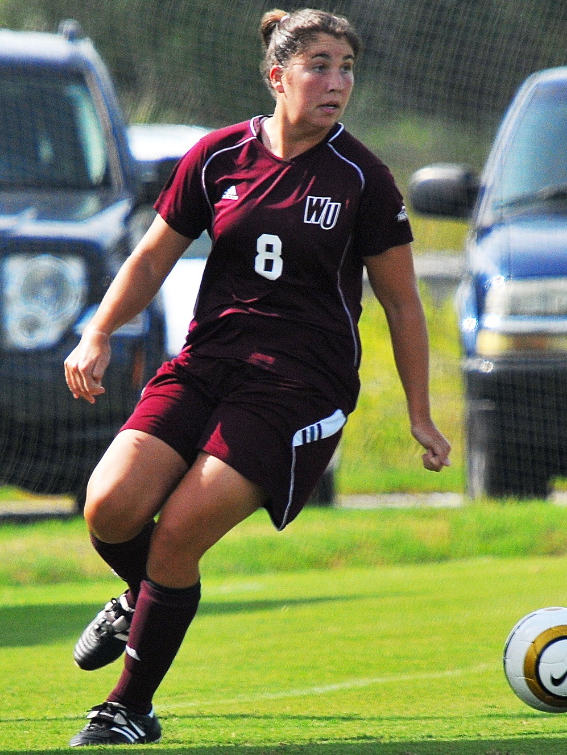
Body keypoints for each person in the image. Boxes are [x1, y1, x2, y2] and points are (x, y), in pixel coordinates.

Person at [62, 8, 451, 746]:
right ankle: (143, 597)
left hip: (299, 384)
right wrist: (98, 332)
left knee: (177, 535)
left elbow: (402, 303)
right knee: (108, 507)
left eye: (347, 68)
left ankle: (127, 707)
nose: (337, 82)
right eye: (320, 66)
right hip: (208, 361)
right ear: (278, 76)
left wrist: (421, 414)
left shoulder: (362, 176)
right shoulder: (215, 157)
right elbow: (150, 257)